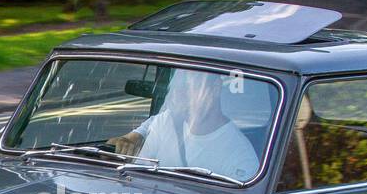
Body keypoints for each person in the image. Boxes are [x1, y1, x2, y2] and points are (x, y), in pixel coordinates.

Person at [109, 69, 260, 181]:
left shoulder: (240, 157)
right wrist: (127, 141)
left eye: (188, 86)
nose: (177, 94)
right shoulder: (166, 122)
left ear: (213, 90)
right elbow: (137, 176)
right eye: (176, 86)